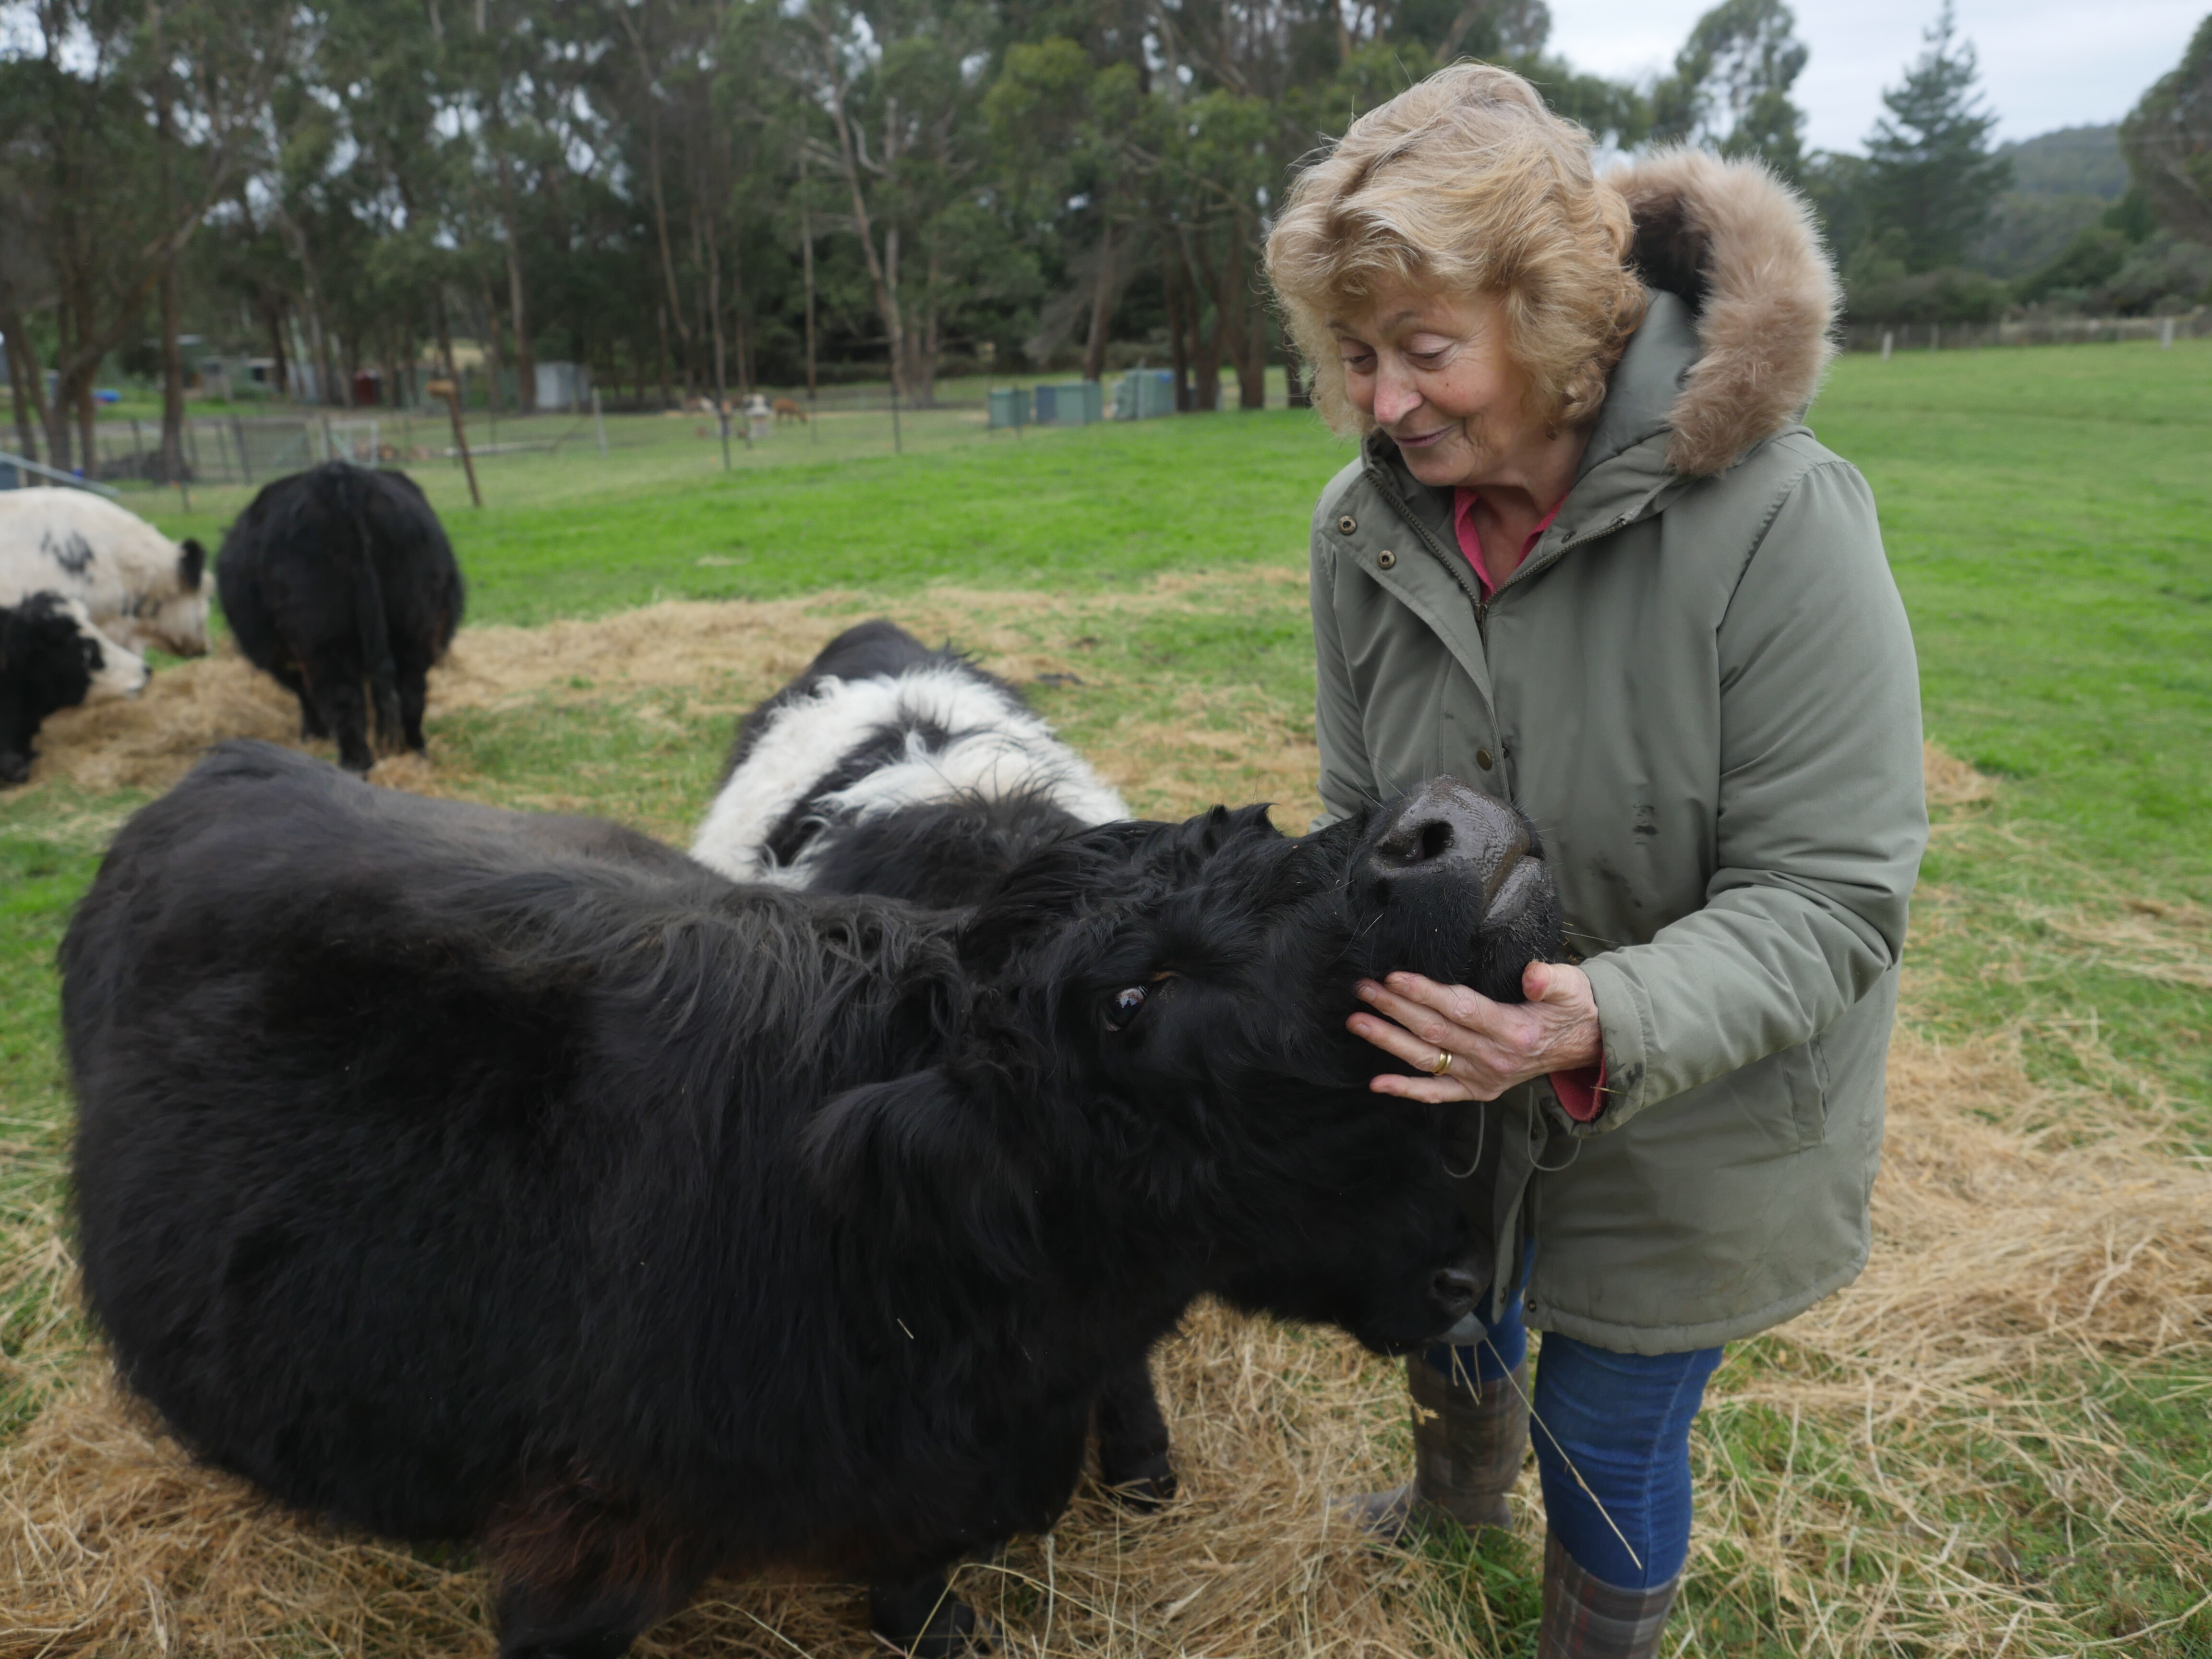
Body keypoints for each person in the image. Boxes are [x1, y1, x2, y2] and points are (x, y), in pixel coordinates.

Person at [1264, 64, 1927, 1659]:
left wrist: (1592, 1021)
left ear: (1553, 320)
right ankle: (1452, 1502)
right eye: (1355, 356)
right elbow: (1360, 820)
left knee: (1605, 1437)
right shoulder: (1363, 532)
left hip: (1696, 1097)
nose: (1385, 403)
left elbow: (1833, 895)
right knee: (1450, 1318)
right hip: (1455, 1074)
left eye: (1427, 349)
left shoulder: (1778, 518)